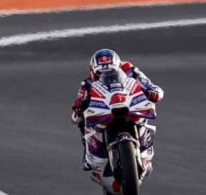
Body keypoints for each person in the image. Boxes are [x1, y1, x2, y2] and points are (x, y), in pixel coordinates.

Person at [70, 48, 163, 190]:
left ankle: (145, 145)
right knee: (78, 119)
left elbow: (147, 83)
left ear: (118, 66)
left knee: (143, 112)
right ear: (93, 71)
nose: (105, 75)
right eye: (99, 73)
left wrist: (153, 91)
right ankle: (88, 153)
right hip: (105, 110)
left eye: (111, 70)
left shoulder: (130, 69)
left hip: (127, 102)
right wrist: (78, 106)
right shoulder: (87, 83)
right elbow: (79, 98)